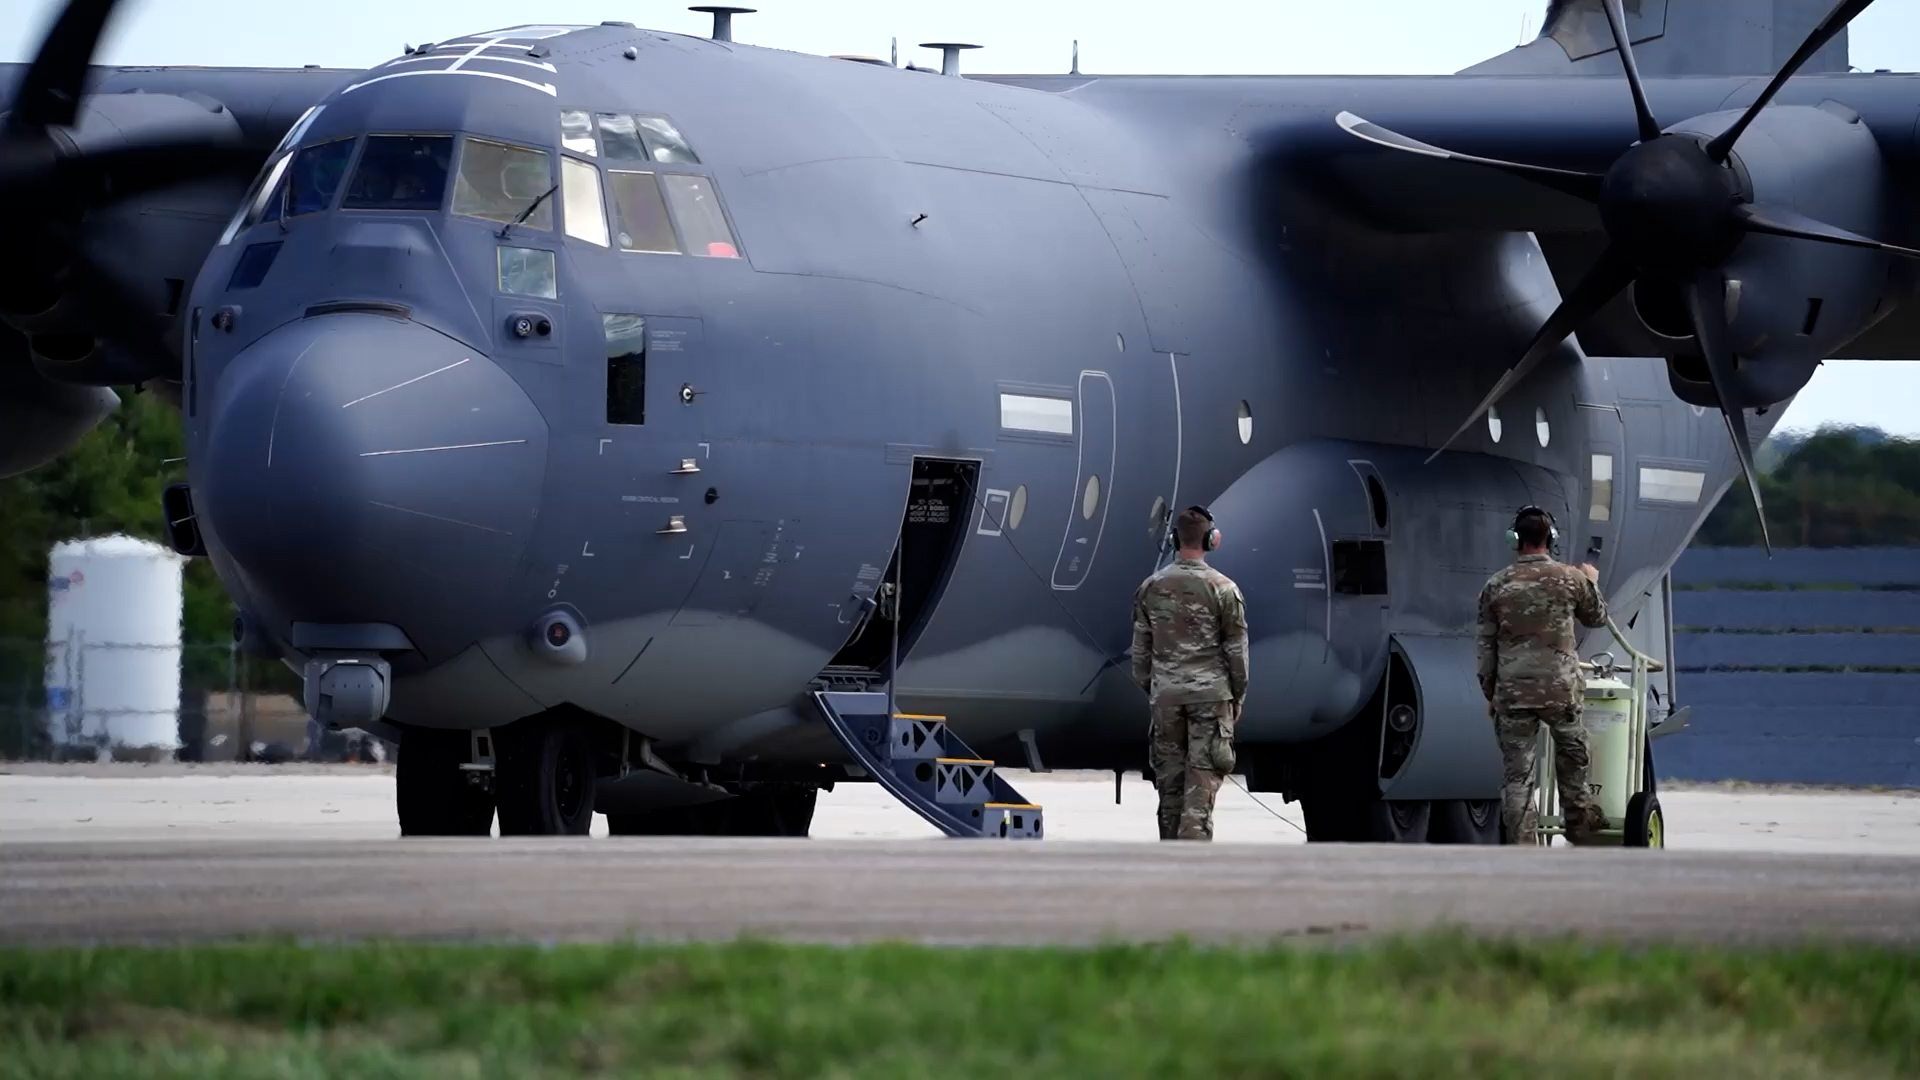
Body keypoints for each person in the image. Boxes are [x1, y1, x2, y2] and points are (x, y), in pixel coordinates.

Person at [1475, 505, 1610, 845]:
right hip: (1560, 691)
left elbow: (1485, 647)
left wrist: (1491, 693)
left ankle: (1522, 846)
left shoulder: (1495, 586)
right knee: (1574, 756)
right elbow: (1596, 617)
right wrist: (1591, 582)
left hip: (1513, 693)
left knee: (1517, 776)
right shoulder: (1570, 578)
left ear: (1515, 540)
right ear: (1550, 539)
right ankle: (1579, 827)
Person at [1130, 505, 1250, 841]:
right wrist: (1237, 696)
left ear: (1174, 539)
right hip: (1211, 698)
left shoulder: (1151, 587)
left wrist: (1158, 688)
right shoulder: (1224, 589)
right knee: (1201, 783)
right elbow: (1236, 652)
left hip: (1166, 697)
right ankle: (1193, 863)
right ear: (1212, 540)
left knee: (1170, 785)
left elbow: (1140, 656)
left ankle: (1170, 858)